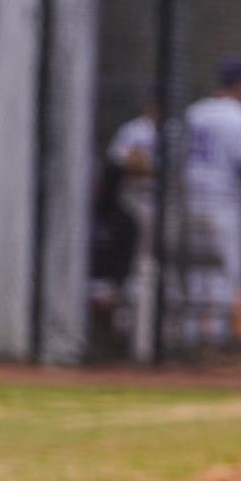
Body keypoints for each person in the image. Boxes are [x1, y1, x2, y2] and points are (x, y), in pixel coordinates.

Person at [179, 57, 241, 348]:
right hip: (222, 201)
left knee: (193, 267)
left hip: (188, 199)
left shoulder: (195, 112)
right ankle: (216, 337)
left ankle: (189, 336)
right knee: (225, 267)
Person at [105, 90, 162, 358]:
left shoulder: (173, 132)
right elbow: (123, 164)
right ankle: (124, 331)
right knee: (133, 268)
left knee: (155, 270)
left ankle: (149, 338)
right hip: (133, 205)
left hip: (161, 207)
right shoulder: (135, 130)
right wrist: (152, 168)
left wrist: (147, 166)